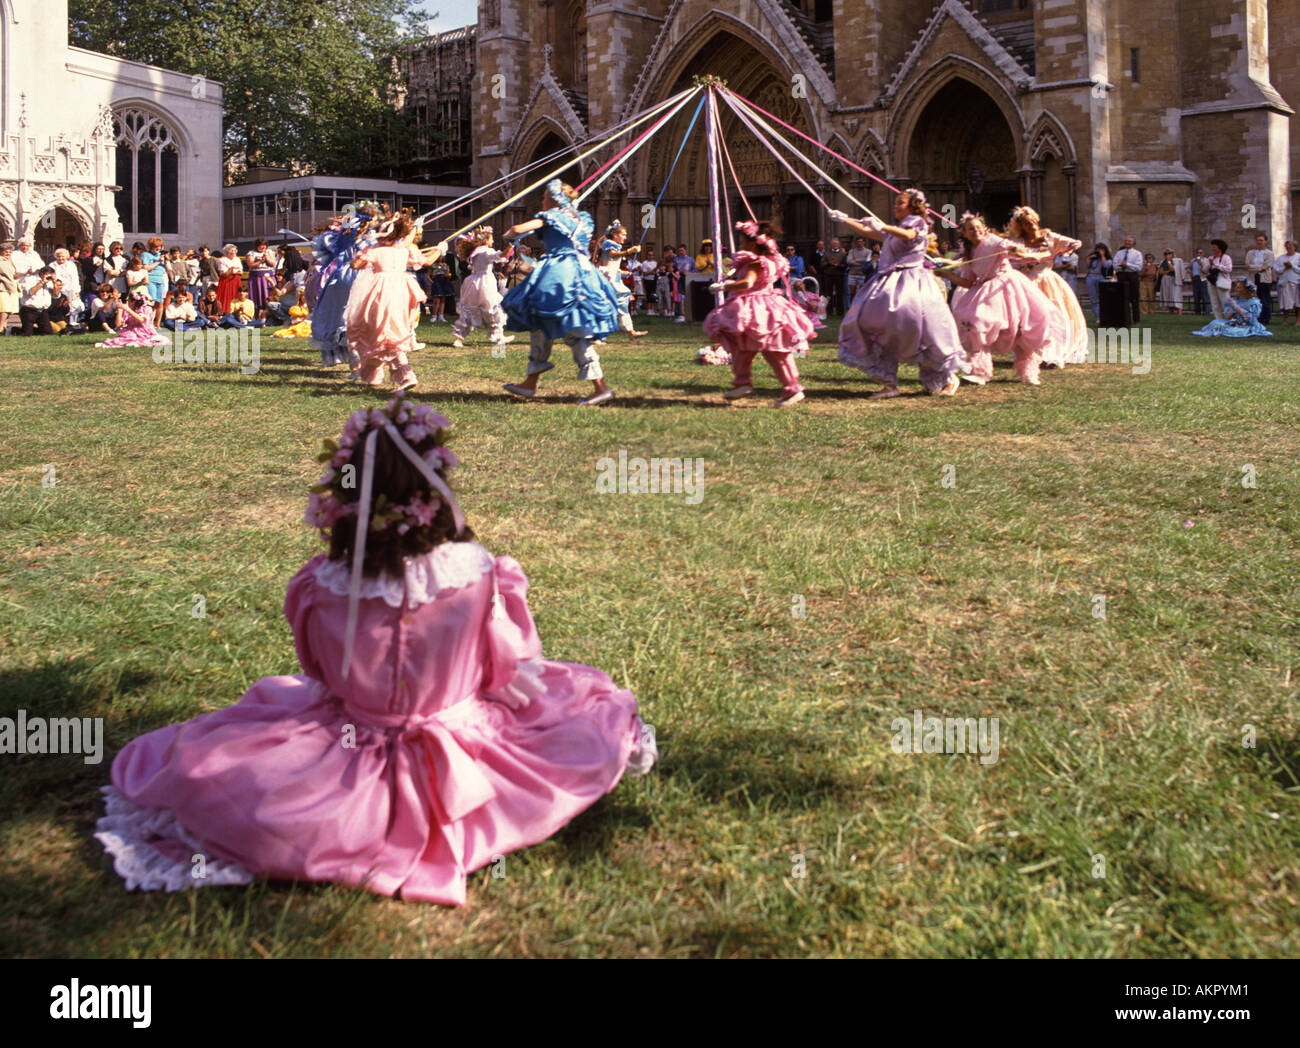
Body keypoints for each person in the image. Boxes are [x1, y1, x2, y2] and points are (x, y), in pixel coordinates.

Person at [94, 394, 656, 904]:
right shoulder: (478, 574)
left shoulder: (324, 584)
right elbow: (503, 665)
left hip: (350, 739)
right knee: (583, 722)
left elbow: (317, 672)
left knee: (232, 779)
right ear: (435, 490)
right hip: (465, 739)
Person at [829, 190, 967, 398]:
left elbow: (909, 235)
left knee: (923, 328)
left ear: (913, 206)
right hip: (888, 282)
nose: (895, 205)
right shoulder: (894, 229)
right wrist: (845, 219)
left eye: (900, 202)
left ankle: (946, 377)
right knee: (873, 324)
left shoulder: (918, 223)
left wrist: (881, 225)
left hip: (912, 282)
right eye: (895, 202)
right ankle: (889, 383)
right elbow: (870, 232)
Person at [500, 179, 623, 406]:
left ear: (555, 199)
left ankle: (600, 387)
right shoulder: (581, 219)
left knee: (553, 320)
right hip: (583, 272)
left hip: (560, 273)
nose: (542, 200)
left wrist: (509, 234)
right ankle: (530, 382)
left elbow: (519, 229)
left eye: (545, 196)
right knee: (550, 323)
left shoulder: (551, 216)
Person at [702, 218, 814, 408]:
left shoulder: (755, 262)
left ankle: (791, 388)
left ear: (753, 243)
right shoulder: (767, 260)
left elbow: (747, 283)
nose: (740, 245)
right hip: (762, 305)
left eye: (742, 242)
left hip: (758, 307)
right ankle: (743, 382)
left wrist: (723, 286)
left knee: (770, 351)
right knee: (746, 346)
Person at [938, 213, 1058, 387]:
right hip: (984, 289)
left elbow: (1013, 250)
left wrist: (1019, 252)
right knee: (978, 324)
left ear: (984, 229)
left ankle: (1029, 371)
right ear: (964, 232)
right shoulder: (968, 253)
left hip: (1007, 287)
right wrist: (945, 274)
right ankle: (979, 371)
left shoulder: (994, 242)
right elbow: (969, 282)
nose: (976, 231)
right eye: (971, 229)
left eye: (979, 228)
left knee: (1019, 329)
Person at [346, 208, 433, 390]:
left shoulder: (375, 250)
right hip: (402, 291)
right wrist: (440, 248)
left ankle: (405, 374)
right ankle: (372, 375)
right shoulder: (404, 250)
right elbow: (425, 261)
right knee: (388, 328)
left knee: (379, 330)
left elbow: (355, 265)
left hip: (380, 291)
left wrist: (365, 249)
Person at [1006, 206, 1085, 366]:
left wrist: (1075, 244)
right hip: (1026, 285)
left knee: (1054, 317)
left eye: (1033, 221)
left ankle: (1053, 354)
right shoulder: (1017, 242)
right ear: (1021, 226)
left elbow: (1070, 242)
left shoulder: (1049, 237)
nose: (1032, 225)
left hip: (1047, 282)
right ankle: (1033, 353)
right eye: (1027, 223)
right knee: (1029, 320)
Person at [452, 225, 515, 350]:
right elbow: (501, 255)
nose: (493, 241)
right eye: (491, 239)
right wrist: (511, 246)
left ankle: (459, 338)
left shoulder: (475, 252)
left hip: (472, 282)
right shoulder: (487, 251)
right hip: (485, 283)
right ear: (485, 240)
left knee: (469, 310)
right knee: (494, 309)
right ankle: (499, 337)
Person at [593, 220, 648, 340]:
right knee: (609, 305)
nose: (625, 237)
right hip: (608, 279)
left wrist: (622, 272)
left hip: (613, 277)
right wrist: (630, 251)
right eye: (623, 234)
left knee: (622, 303)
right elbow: (612, 255)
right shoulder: (609, 243)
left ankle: (630, 330)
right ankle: (597, 335)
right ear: (615, 235)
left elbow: (611, 264)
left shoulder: (611, 244)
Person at [1191, 280, 1272, 338]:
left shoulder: (1254, 303)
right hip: (1233, 322)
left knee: (1232, 331)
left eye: (1239, 287)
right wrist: (1232, 307)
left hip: (1247, 325)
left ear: (1245, 290)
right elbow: (1227, 317)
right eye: (1236, 287)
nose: (1236, 289)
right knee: (1216, 322)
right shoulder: (1235, 300)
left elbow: (1250, 319)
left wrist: (1236, 307)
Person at [94, 289, 169, 347]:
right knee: (123, 339)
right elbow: (118, 324)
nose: (127, 302)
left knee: (134, 339)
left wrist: (127, 309)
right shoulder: (128, 310)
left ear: (133, 302)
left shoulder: (146, 309)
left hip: (144, 331)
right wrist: (120, 310)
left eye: (128, 301)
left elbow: (141, 320)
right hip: (131, 330)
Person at [1245, 233, 1274, 324]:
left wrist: (1253, 266)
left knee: (1264, 298)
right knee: (1254, 298)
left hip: (1264, 279)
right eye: (1258, 240)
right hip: (1253, 278)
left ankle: (1265, 318)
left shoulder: (1269, 253)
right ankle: (1256, 317)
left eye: (1261, 240)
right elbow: (1246, 265)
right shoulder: (1251, 252)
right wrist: (1258, 267)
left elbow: (1265, 267)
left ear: (1265, 241)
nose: (1259, 242)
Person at [1113, 236, 1143, 324]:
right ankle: (1123, 318)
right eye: (1126, 241)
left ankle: (1136, 319)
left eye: (1129, 241)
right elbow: (1115, 265)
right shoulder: (1119, 253)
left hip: (1132, 275)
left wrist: (1127, 265)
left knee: (1134, 298)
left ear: (1133, 243)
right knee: (1122, 298)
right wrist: (1120, 265)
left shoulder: (1137, 253)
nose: (1127, 243)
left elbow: (1138, 267)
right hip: (1121, 275)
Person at [17, 268, 56, 335]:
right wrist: (42, 282)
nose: (49, 277)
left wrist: (55, 283)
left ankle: (33, 330)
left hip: (42, 310)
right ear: (41, 274)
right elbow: (30, 292)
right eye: (47, 275)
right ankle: (12, 329)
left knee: (48, 333)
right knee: (27, 333)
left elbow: (56, 295)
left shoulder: (50, 281)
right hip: (29, 310)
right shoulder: (29, 279)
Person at [246, 239, 278, 316]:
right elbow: (250, 265)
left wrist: (266, 258)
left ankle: (270, 314)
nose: (263, 247)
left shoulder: (270, 252)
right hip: (256, 277)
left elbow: (273, 264)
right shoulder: (251, 253)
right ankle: (256, 315)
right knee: (256, 296)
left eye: (264, 245)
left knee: (269, 295)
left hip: (268, 277)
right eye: (261, 245)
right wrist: (260, 261)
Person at [141, 237, 168, 324]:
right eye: (156, 246)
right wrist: (158, 262)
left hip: (161, 280)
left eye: (160, 246)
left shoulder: (161, 255)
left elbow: (168, 271)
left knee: (160, 302)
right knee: (151, 302)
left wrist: (166, 261)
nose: (158, 248)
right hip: (150, 280)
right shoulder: (145, 255)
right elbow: (145, 268)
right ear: (151, 247)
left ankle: (158, 324)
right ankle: (149, 323)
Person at [1273, 240, 1300, 326]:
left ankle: (1298, 320)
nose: (1288, 248)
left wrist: (1292, 266)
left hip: (1296, 282)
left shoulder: (1298, 257)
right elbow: (1276, 269)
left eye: (1290, 246)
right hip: (1285, 282)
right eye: (1287, 246)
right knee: (1285, 302)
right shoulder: (1281, 258)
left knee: (1297, 302)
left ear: (1295, 247)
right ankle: (1285, 320)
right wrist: (1285, 268)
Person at [1084, 243, 1114, 321]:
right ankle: (1098, 317)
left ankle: (1105, 316)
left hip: (1101, 278)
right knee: (1093, 298)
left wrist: (1102, 255)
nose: (1099, 251)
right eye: (1098, 249)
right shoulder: (1093, 258)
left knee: (1103, 298)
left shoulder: (1109, 259)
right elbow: (1087, 265)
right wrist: (1089, 255)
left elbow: (1106, 265)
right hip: (1091, 277)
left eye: (1101, 249)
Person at [1206, 239, 1233, 320]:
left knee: (1225, 301)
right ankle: (1218, 320)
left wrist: (1215, 264)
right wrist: (1209, 264)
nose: (1213, 249)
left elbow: (1228, 269)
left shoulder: (1226, 258)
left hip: (1222, 282)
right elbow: (1204, 270)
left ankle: (1228, 319)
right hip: (1212, 282)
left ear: (1220, 248)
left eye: (1214, 247)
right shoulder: (1211, 258)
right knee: (1215, 302)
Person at [821, 237, 847, 314]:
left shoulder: (843, 254)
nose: (835, 245)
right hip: (828, 275)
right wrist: (829, 263)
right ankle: (829, 311)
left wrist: (838, 265)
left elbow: (845, 264)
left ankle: (840, 311)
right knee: (828, 293)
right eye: (833, 244)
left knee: (839, 293)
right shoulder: (826, 253)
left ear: (839, 244)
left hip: (839, 275)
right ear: (831, 245)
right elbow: (822, 264)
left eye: (836, 244)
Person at [216, 244, 243, 314]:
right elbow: (225, 274)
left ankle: (237, 312)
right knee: (226, 297)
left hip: (236, 280)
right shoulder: (222, 260)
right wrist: (232, 268)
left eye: (234, 251)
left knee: (237, 295)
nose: (233, 252)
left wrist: (237, 271)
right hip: (226, 281)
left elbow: (241, 272)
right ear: (227, 252)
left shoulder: (237, 259)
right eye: (231, 251)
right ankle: (224, 312)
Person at [1157, 250, 1186, 315]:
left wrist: (1169, 262)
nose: (1168, 255)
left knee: (1176, 297)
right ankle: (1171, 313)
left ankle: (1180, 313)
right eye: (1166, 254)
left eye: (1169, 254)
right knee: (1169, 296)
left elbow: (1173, 269)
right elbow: (1160, 272)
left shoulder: (1178, 260)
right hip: (1166, 280)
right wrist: (1166, 272)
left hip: (1175, 280)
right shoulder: (1163, 262)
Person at [0, 242, 18, 334]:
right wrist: (13, 288)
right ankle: (1, 328)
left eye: (10, 252)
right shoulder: (1, 261)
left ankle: (4, 328)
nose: (8, 253)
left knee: (8, 311)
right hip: (4, 288)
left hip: (9, 288)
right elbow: (7, 276)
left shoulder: (8, 261)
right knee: (4, 310)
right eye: (6, 252)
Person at [1190, 248, 1210, 316]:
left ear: (1203, 254)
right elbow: (1188, 268)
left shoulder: (1206, 260)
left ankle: (1207, 312)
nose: (1199, 254)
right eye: (1198, 253)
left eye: (1200, 253)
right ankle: (1197, 312)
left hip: (1203, 278)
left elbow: (1206, 270)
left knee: (1205, 296)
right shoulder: (1193, 261)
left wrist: (1200, 263)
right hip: (1195, 278)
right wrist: (1190, 273)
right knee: (1196, 296)